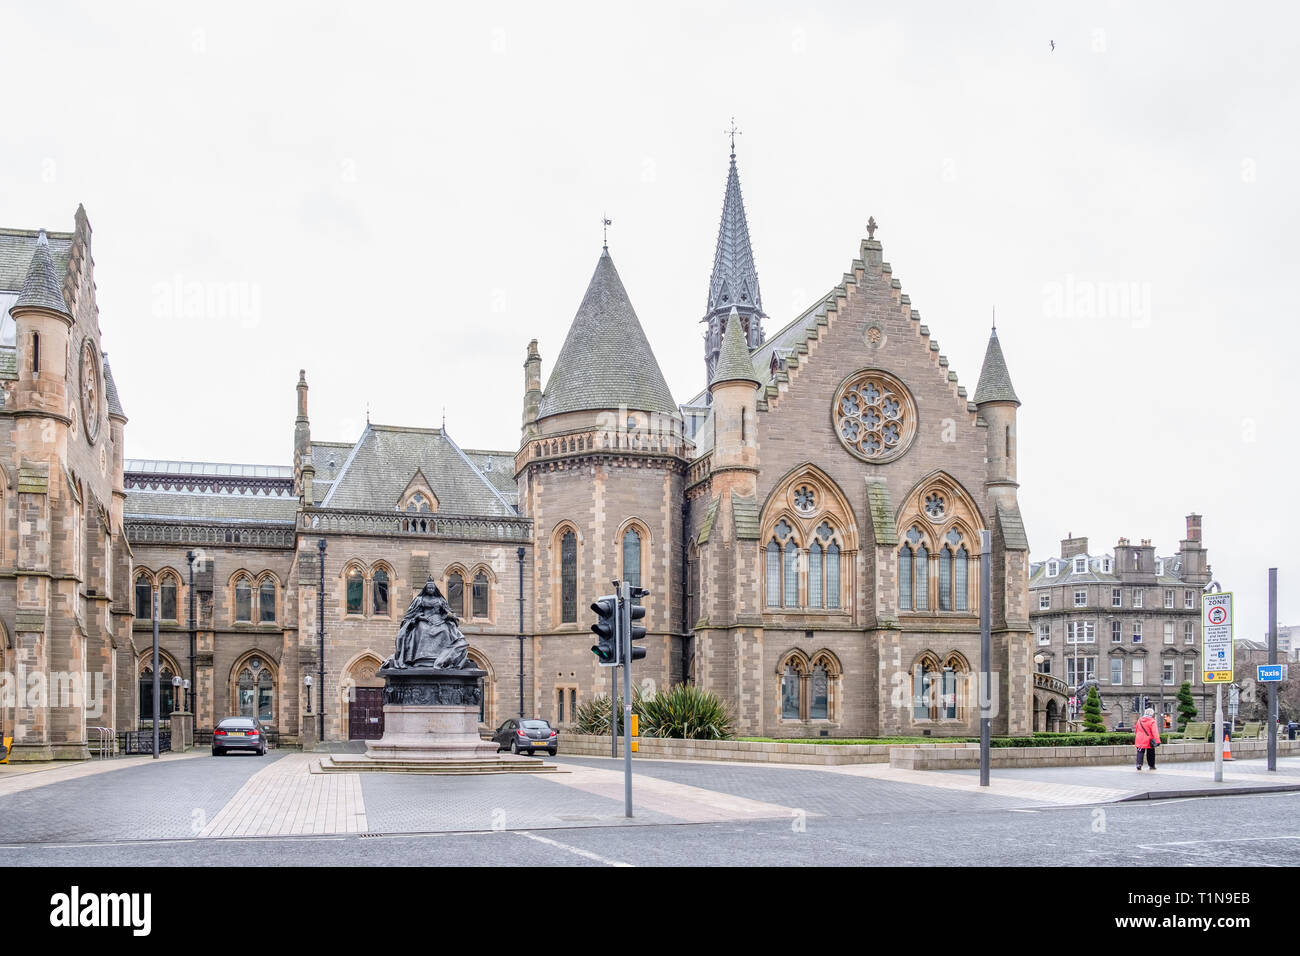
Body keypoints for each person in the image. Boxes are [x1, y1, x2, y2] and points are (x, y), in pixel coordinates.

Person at [1135, 707, 1161, 771]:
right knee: (1151, 753)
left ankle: (1139, 764)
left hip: (1140, 738)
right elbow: (1155, 732)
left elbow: (1136, 730)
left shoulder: (1139, 720)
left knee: (1140, 752)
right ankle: (1151, 766)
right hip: (1149, 740)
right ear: (1152, 714)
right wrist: (1157, 741)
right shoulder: (1152, 721)